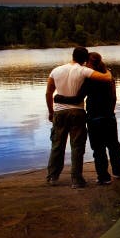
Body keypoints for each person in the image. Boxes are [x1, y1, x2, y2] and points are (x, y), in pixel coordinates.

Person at [45, 46, 112, 188]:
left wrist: (51, 112)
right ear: (84, 59)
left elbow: (48, 93)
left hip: (59, 112)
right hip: (77, 112)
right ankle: (76, 180)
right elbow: (106, 78)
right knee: (77, 147)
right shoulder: (83, 70)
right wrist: (107, 70)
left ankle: (52, 176)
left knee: (57, 145)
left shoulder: (56, 70)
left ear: (73, 55)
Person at [57, 52, 120, 184]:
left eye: (86, 62)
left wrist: (59, 98)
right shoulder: (108, 75)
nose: (84, 64)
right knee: (113, 144)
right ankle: (119, 171)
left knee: (98, 148)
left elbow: (78, 98)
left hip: (94, 118)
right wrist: (111, 111)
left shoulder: (90, 79)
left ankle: (104, 177)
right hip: (109, 116)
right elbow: (114, 96)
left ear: (89, 63)